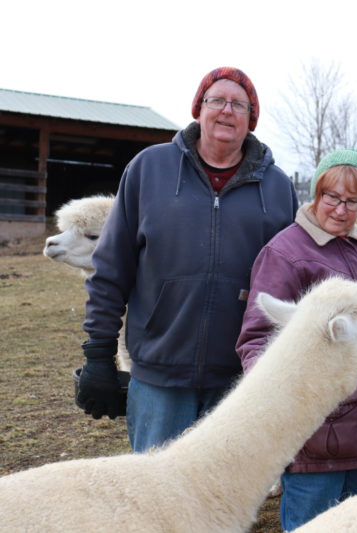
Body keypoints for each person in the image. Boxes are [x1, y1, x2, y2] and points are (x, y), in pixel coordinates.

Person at [78, 67, 298, 453]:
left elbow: (292, 279)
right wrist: (98, 353)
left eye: (239, 105)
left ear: (251, 119)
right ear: (199, 109)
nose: (227, 111)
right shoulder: (150, 169)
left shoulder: (277, 188)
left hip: (240, 377)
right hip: (158, 375)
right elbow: (111, 268)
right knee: (156, 496)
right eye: (217, 101)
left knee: (224, 498)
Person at [236, 149, 357, 531]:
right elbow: (257, 338)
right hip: (318, 433)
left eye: (353, 201)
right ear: (316, 193)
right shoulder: (285, 254)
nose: (340, 210)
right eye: (332, 197)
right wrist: (279, 397)